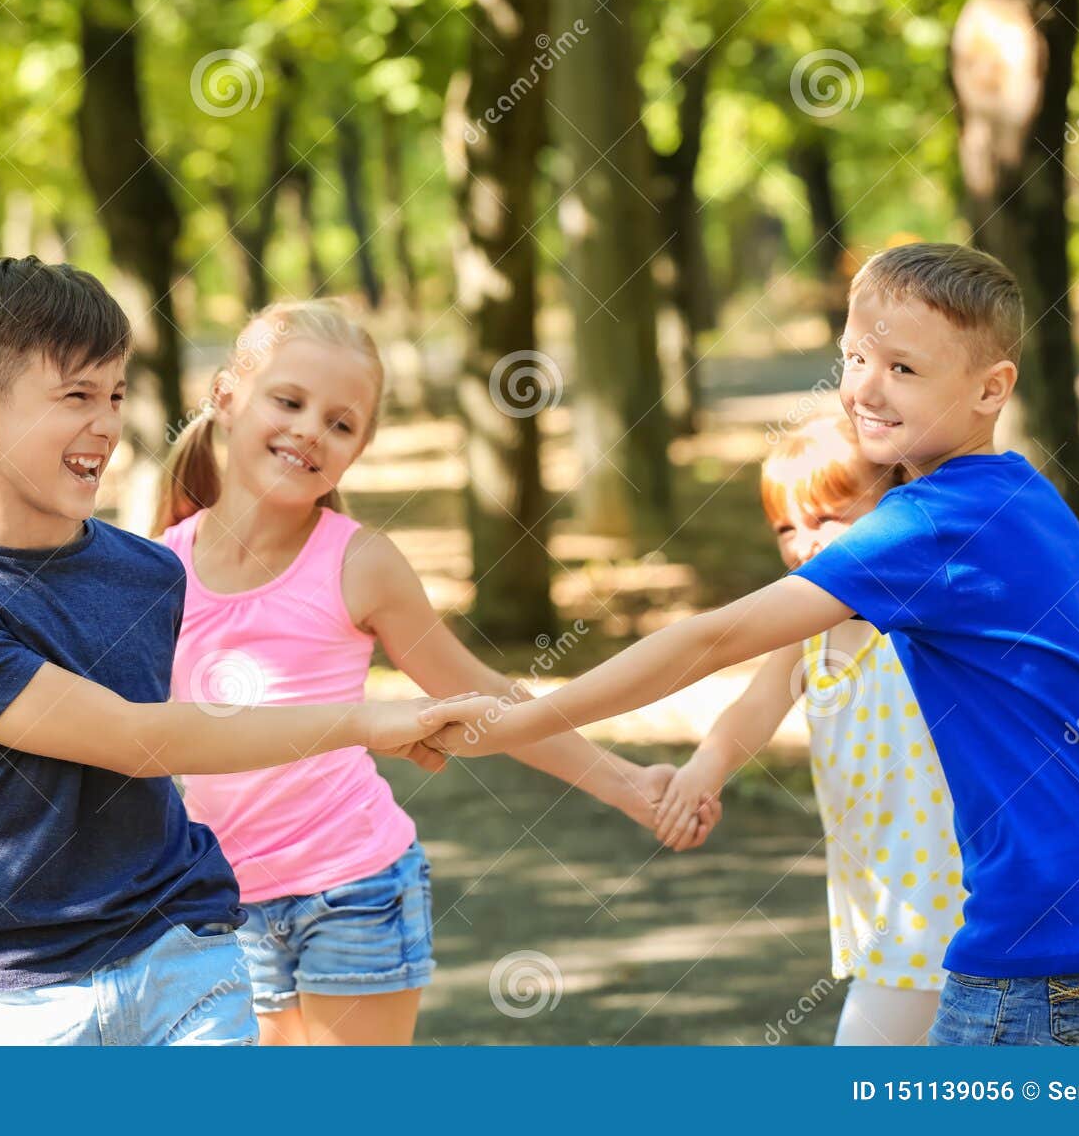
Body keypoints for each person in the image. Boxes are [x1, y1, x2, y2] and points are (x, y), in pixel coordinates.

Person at [425, 242, 1079, 1046]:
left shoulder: (928, 524)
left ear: (992, 388)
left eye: (903, 368)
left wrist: (516, 722)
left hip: (1039, 928)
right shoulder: (1024, 492)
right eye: (854, 354)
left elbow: (714, 638)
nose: (864, 386)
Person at [0, 258, 490, 1046]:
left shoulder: (150, 574)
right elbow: (144, 737)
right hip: (24, 990)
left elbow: (201, 728)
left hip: (186, 952)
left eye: (115, 394)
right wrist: (366, 721)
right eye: (75, 396)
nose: (104, 422)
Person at [154, 299, 718, 1045]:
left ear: (358, 448)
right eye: (288, 400)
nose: (309, 431)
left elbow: (481, 696)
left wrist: (627, 785)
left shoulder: (359, 564)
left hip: (351, 887)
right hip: (222, 902)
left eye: (340, 422)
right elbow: (137, 738)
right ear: (226, 397)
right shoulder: (159, 563)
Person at [661, 412, 959, 1044]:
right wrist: (703, 771)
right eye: (785, 528)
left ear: (897, 501)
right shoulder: (809, 631)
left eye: (828, 517)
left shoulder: (928, 607)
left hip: (948, 898)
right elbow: (754, 709)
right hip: (880, 898)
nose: (804, 545)